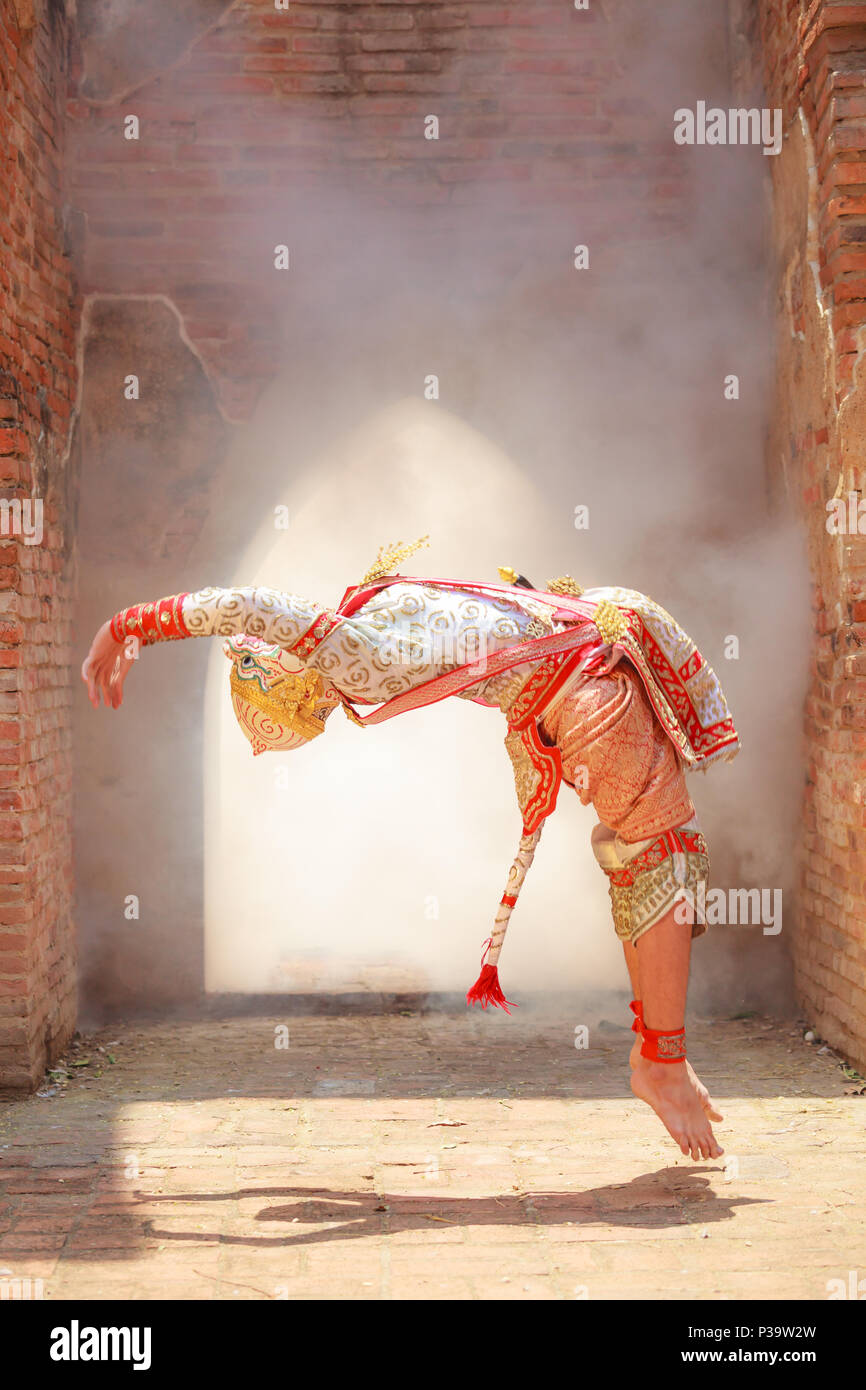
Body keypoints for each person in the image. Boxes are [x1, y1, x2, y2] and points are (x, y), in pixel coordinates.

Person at [81, 539, 739, 1162]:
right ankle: (660, 1058)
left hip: (589, 676)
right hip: (588, 667)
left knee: (655, 855)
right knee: (652, 852)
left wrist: (125, 626)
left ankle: (662, 1061)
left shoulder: (344, 647)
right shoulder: (361, 611)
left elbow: (243, 606)